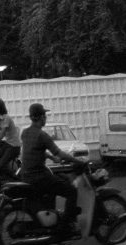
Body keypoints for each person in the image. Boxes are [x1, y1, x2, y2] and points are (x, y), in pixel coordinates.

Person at [20, 102, 85, 237]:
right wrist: (77, 161)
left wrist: (51, 157)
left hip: (26, 176)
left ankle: (52, 220)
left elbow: (34, 150)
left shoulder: (25, 133)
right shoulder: (42, 135)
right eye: (45, 115)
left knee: (59, 180)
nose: (46, 118)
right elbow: (60, 153)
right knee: (72, 191)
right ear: (41, 117)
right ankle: (65, 226)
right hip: (39, 177)